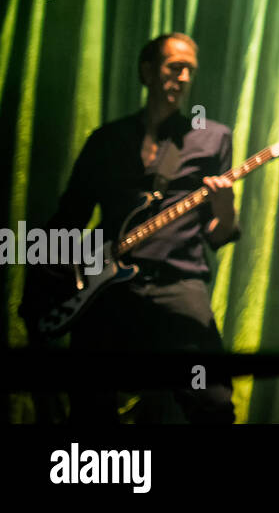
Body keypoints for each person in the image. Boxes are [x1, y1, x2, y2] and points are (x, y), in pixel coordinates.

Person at [21, 33, 240, 422]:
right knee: (91, 406)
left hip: (178, 284)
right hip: (105, 288)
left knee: (213, 403)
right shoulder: (106, 140)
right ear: (148, 71)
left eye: (191, 69)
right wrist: (46, 284)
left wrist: (226, 209)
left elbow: (218, 235)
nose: (185, 77)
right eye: (175, 66)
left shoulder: (212, 138)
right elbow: (68, 219)